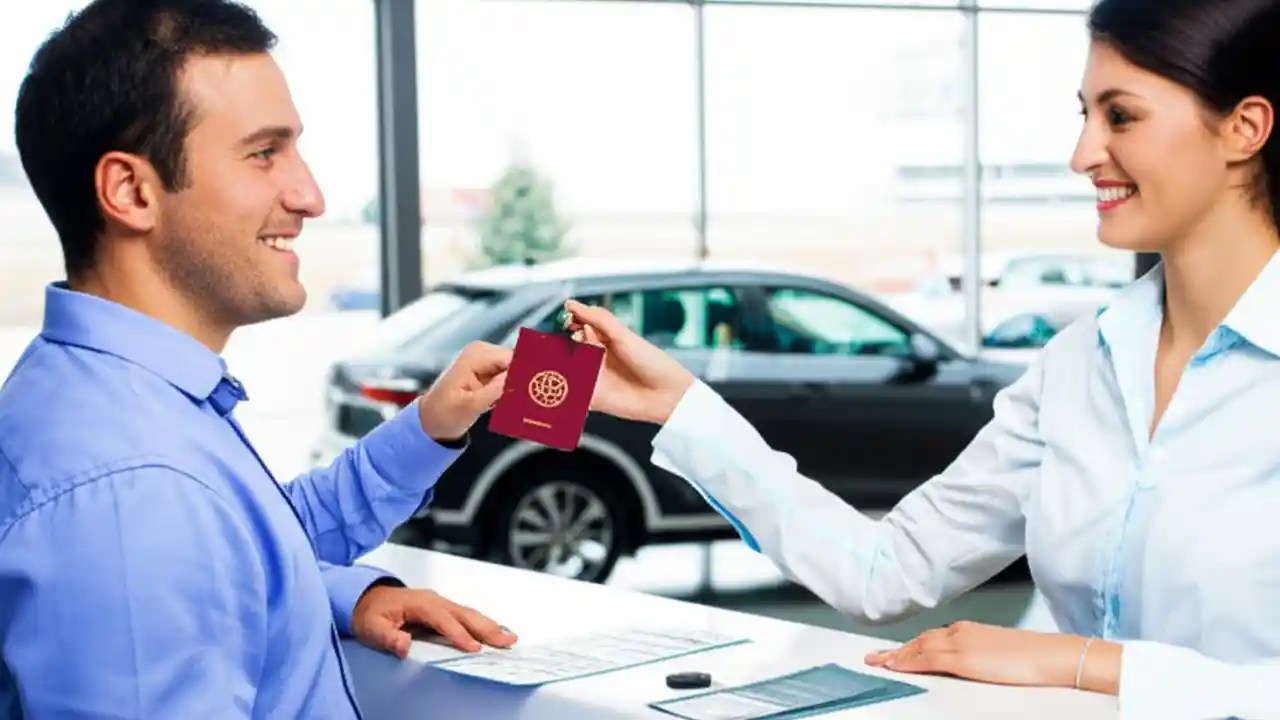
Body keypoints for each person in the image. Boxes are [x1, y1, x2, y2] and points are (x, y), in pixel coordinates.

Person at [565, 0, 1280, 717]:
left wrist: (1084, 662)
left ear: (1244, 129)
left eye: (1120, 116)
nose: (1083, 154)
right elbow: (886, 571)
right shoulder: (1079, 366)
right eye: (1084, 115)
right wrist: (683, 409)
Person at [0, 1, 515, 717]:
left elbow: (252, 539)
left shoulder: (115, 404)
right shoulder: (134, 491)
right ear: (130, 191)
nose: (310, 196)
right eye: (264, 153)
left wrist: (427, 432)